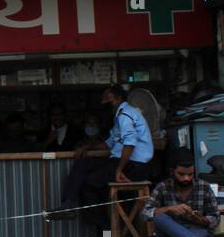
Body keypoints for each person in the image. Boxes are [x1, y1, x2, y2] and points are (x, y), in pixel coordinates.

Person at [50, 85, 154, 218]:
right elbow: (109, 143)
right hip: (121, 162)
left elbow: (130, 144)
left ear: (118, 99)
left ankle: (104, 225)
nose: (107, 105)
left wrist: (119, 170)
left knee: (89, 183)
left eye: (109, 101)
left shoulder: (126, 114)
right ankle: (68, 204)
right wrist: (87, 147)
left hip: (134, 166)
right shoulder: (120, 116)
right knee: (82, 164)